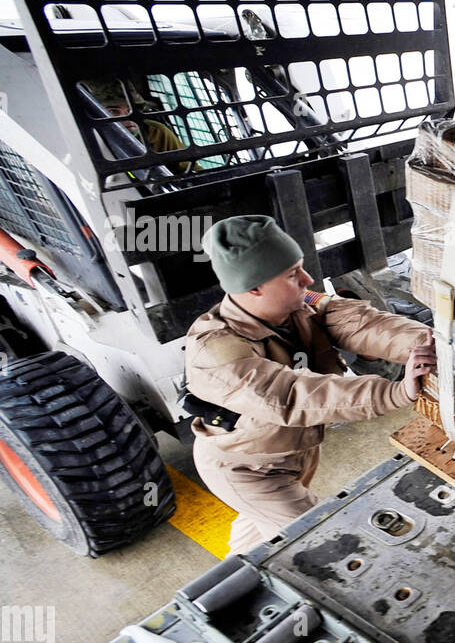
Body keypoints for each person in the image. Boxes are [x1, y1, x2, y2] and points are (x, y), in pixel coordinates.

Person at [185, 214, 435, 556]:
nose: (308, 279)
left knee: (255, 547)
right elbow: (292, 396)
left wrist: (431, 343)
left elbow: (357, 324)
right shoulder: (214, 351)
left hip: (293, 453)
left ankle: (228, 588)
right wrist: (394, 392)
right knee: (321, 543)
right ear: (253, 288)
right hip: (250, 471)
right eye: (292, 275)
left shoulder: (293, 306)